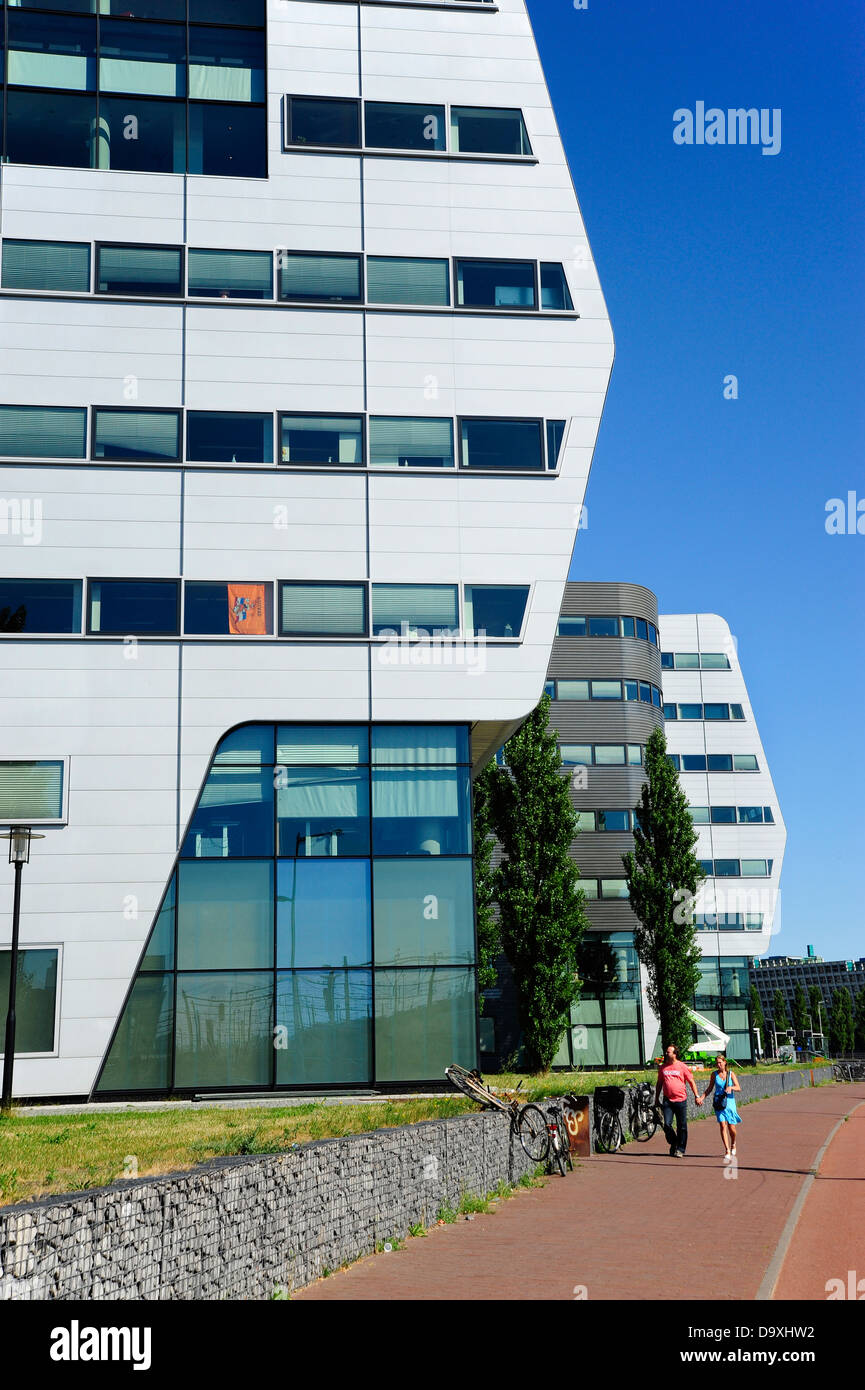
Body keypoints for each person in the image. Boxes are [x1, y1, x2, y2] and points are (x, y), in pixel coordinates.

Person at [654, 1043, 703, 1156]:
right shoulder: (663, 1067)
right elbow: (659, 1084)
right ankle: (674, 1142)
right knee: (666, 1124)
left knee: (682, 1126)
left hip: (681, 1100)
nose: (666, 1053)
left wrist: (697, 1096)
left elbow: (691, 1081)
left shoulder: (682, 1066)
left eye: (668, 1052)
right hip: (667, 1101)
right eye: (666, 1052)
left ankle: (680, 1149)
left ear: (675, 1054)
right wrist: (656, 1098)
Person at [702, 1052, 742, 1156]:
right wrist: (702, 1097)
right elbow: (710, 1088)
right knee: (722, 1126)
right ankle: (727, 1149)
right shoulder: (714, 1075)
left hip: (729, 1103)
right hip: (719, 1102)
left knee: (731, 1127)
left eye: (720, 1062)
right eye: (717, 1063)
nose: (718, 1065)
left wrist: (731, 1087)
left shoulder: (731, 1074)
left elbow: (738, 1087)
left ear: (725, 1062)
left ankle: (733, 1143)